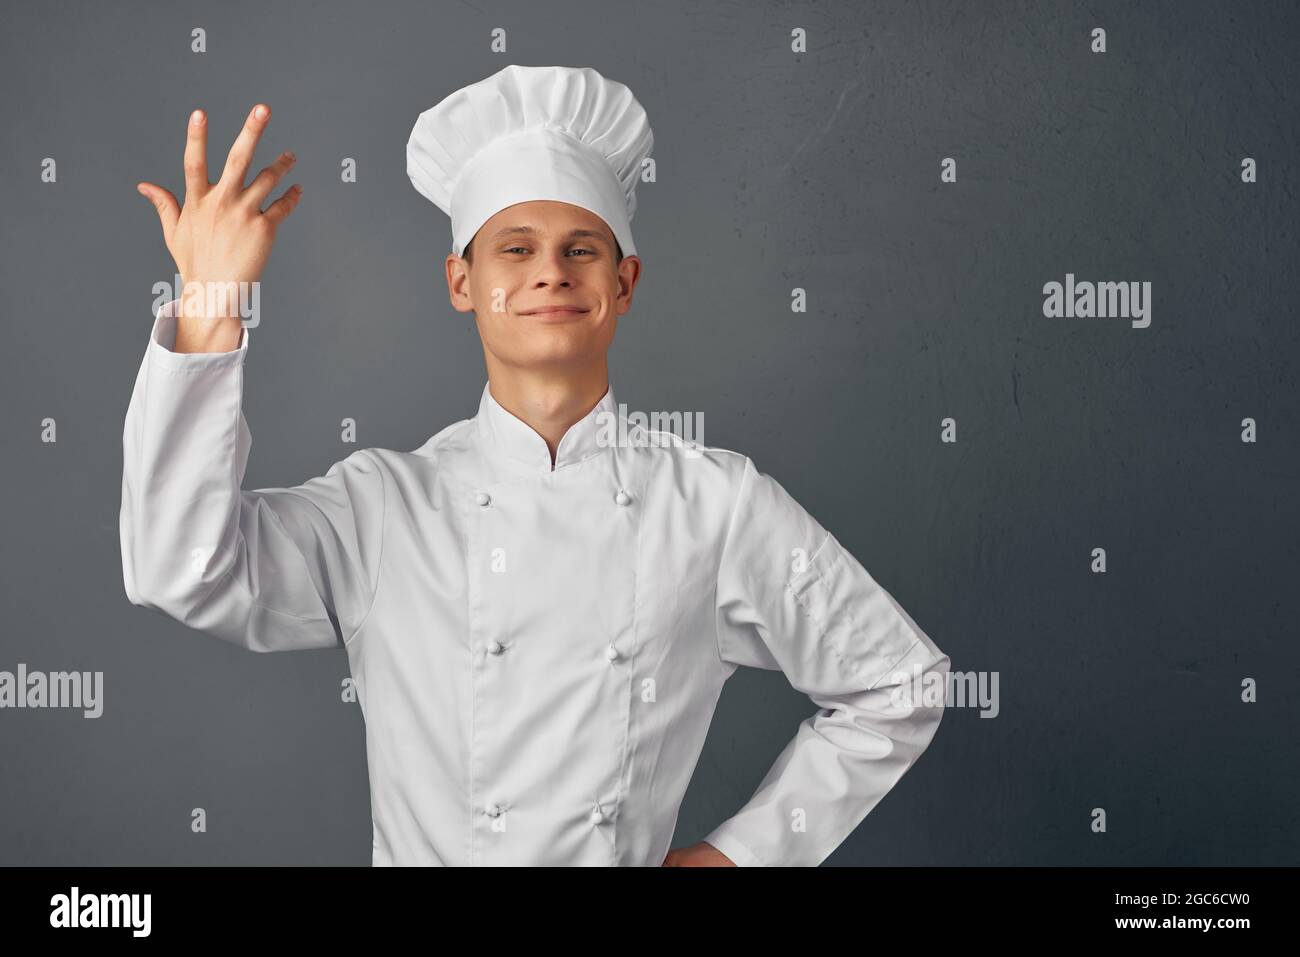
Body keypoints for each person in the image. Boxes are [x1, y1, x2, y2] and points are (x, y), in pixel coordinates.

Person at [123, 64, 950, 867]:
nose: (550, 270)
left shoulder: (714, 504)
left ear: (624, 283)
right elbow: (180, 567)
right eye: (514, 248)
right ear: (461, 280)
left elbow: (899, 683)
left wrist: (742, 856)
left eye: (582, 249)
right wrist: (209, 303)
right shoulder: (383, 506)